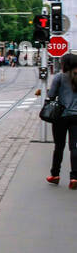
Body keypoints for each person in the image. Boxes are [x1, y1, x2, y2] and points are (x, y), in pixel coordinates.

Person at [45, 53, 77, 187]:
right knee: (74, 146)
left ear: (64, 64)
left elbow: (51, 95)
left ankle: (55, 175)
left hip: (61, 116)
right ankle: (74, 178)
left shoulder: (59, 77)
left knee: (59, 146)